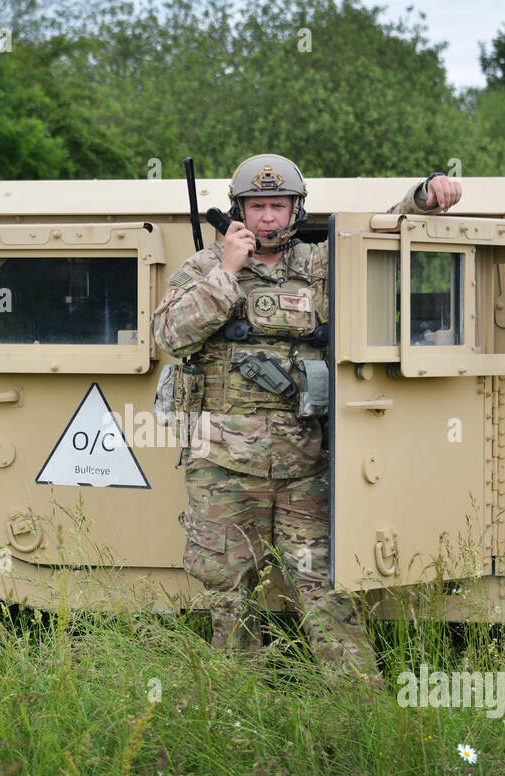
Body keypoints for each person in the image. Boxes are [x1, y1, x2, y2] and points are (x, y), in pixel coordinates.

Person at [153, 154, 461, 683]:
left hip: (304, 463)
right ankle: (233, 715)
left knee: (325, 592)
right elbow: (168, 336)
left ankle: (360, 713)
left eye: (277, 206)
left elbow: (381, 237)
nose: (267, 218)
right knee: (228, 597)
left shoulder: (321, 265)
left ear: (295, 209)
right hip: (223, 467)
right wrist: (227, 272)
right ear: (238, 211)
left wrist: (423, 195)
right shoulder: (204, 268)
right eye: (256, 207)